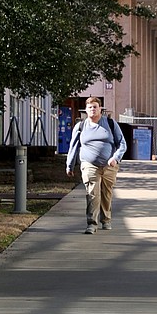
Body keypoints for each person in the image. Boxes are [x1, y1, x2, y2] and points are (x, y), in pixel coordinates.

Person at [66, 97, 126, 233]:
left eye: (95, 107)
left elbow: (122, 143)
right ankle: (92, 224)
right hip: (89, 164)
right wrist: (69, 165)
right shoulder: (80, 126)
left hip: (109, 165)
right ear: (86, 110)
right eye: (90, 107)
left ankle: (106, 220)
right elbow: (73, 146)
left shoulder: (110, 123)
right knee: (92, 193)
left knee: (106, 194)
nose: (92, 109)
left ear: (100, 109)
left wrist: (116, 158)